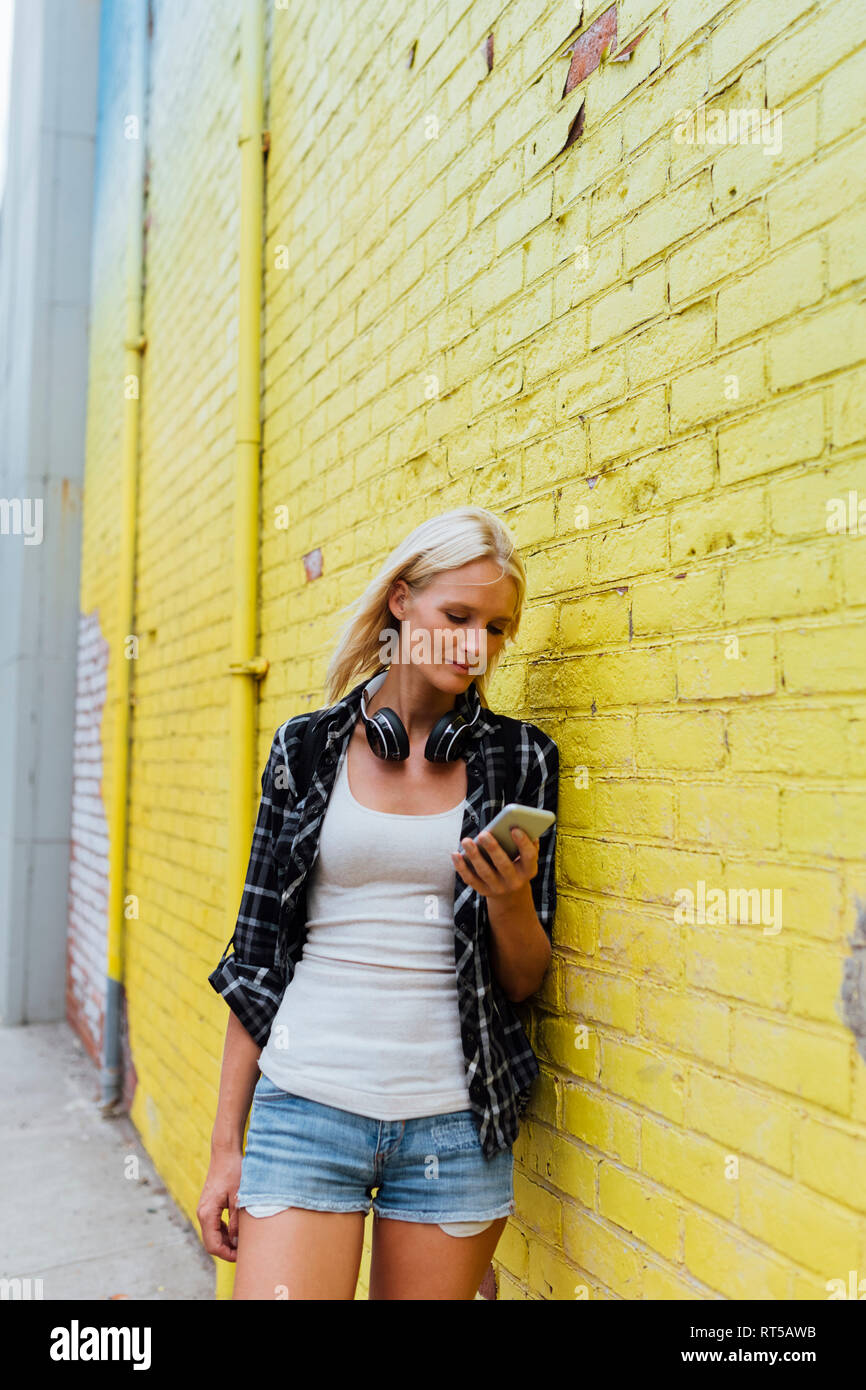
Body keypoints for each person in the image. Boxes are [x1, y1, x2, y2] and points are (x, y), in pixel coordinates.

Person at [197, 505, 559, 1299]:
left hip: (456, 1126)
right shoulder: (307, 748)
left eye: (499, 629)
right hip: (306, 1105)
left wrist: (507, 900)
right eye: (457, 616)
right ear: (401, 601)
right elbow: (255, 960)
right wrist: (227, 1147)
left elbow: (526, 980)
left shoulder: (522, 759)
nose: (477, 647)